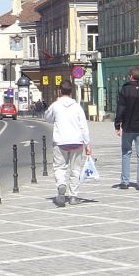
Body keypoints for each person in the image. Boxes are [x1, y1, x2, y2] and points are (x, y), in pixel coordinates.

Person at [46, 79, 91, 207]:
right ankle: (73, 196)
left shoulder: (55, 106)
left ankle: (61, 184)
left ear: (60, 91)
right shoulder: (77, 107)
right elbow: (84, 126)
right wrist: (88, 144)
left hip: (60, 142)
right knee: (75, 169)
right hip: (77, 141)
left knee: (59, 167)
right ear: (71, 92)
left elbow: (47, 118)